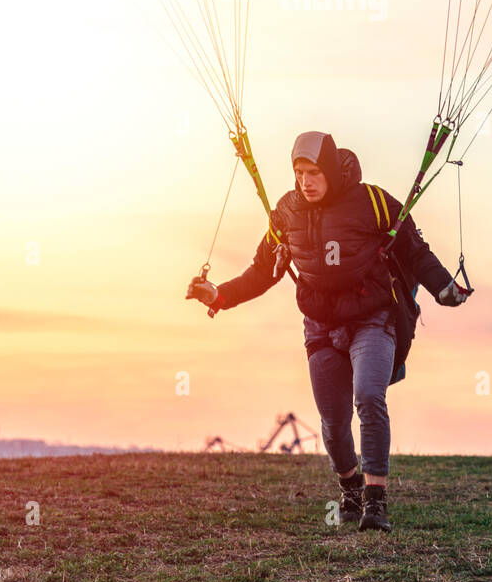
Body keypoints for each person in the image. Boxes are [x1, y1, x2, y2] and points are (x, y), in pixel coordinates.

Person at [187, 130, 469, 532]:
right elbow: (261, 272)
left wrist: (444, 287)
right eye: (299, 172)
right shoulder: (286, 213)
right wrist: (218, 295)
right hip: (321, 326)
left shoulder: (372, 201)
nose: (306, 181)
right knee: (333, 422)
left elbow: (414, 251)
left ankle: (376, 502)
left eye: (314, 172)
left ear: (332, 171)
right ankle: (349, 488)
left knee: (369, 397)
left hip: (373, 317)